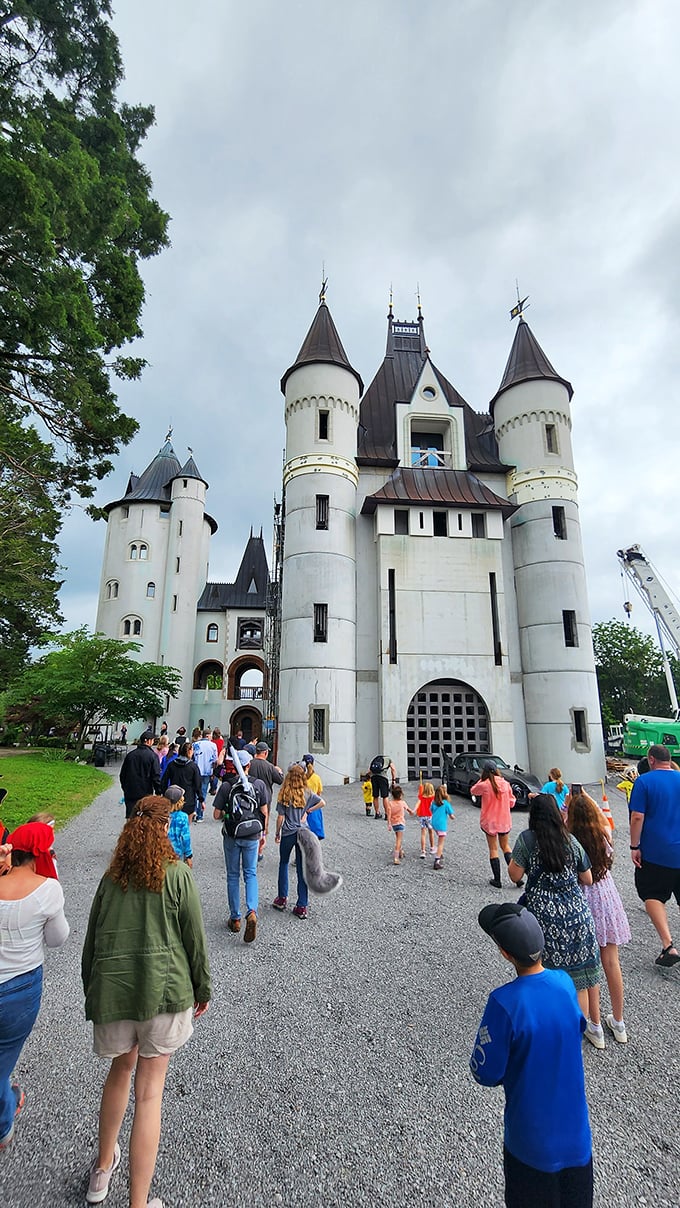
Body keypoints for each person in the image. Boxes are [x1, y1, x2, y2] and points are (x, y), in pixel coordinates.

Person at [82, 795, 211, 1208]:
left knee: (120, 1071)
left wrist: (93, 991)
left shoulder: (111, 878)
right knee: (150, 1093)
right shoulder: (176, 875)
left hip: (116, 993)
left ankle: (102, 1171)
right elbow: (195, 940)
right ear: (165, 827)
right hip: (165, 992)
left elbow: (91, 943)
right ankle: (139, 1202)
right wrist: (202, 988)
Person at [470, 903, 593, 1208]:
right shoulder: (565, 983)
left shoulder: (504, 1002)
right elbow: (578, 1025)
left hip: (530, 1141)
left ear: (505, 953)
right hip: (577, 1136)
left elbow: (486, 1072)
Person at [507, 795, 602, 1042]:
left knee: (542, 976)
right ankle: (575, 1035)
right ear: (557, 814)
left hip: (544, 920)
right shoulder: (570, 841)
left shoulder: (527, 840)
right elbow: (588, 878)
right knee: (579, 980)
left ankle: (545, 1031)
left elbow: (514, 875)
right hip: (578, 917)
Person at [0, 824, 69, 1148]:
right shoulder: (48, 890)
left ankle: (7, 1094)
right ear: (41, 854)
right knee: (4, 1055)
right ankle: (3, 1123)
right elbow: (57, 939)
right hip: (20, 987)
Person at [567, 792, 631, 1044]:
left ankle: (595, 1025)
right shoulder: (603, 833)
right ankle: (618, 1021)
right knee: (611, 961)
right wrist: (586, 797)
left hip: (584, 897)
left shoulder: (571, 840)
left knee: (589, 964)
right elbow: (600, 815)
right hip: (606, 896)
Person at [628, 743, 680, 966]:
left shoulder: (644, 781)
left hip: (657, 851)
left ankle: (668, 945)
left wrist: (634, 846)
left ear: (651, 760)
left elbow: (637, 817)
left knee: (653, 894)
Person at [213, 751, 268, 942]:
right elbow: (264, 811)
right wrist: (263, 835)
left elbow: (216, 814)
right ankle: (251, 911)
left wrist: (229, 814)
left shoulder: (227, 785)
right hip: (253, 834)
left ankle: (235, 918)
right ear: (248, 765)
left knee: (233, 875)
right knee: (251, 873)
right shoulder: (258, 785)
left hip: (232, 835)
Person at [273, 763, 324, 919]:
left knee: (283, 863)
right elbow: (322, 802)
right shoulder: (307, 793)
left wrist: (277, 832)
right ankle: (302, 905)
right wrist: (308, 811)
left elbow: (281, 817)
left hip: (288, 832)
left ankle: (282, 898)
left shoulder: (285, 793)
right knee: (302, 869)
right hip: (303, 833)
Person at [470, 762, 517, 888]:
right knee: (506, 846)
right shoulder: (505, 784)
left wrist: (481, 779)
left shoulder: (485, 784)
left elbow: (473, 790)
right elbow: (512, 803)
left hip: (490, 821)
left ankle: (497, 880)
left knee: (493, 849)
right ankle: (517, 878)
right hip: (504, 820)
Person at [119, 734, 161, 819]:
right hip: (145, 792)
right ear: (148, 741)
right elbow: (155, 776)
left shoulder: (130, 755)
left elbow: (122, 774)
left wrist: (125, 788)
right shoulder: (152, 756)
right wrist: (158, 791)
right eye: (152, 740)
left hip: (130, 791)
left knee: (130, 815)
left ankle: (130, 831)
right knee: (144, 817)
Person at [161, 741, 202, 823]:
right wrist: (201, 798)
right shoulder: (193, 766)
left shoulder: (172, 764)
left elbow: (164, 780)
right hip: (188, 798)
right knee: (186, 825)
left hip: (173, 796)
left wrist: (163, 793)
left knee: (172, 823)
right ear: (189, 751)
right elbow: (198, 784)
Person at [191, 729, 217, 821]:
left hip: (196, 770)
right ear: (208, 736)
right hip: (207, 771)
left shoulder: (195, 744)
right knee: (203, 792)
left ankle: (193, 811)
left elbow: (192, 757)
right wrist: (213, 772)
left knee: (194, 791)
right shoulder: (213, 745)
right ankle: (200, 815)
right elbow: (215, 760)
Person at [164, 786, 193, 867]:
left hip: (162, 851)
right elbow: (185, 838)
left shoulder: (161, 815)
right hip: (177, 852)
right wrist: (188, 855)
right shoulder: (183, 817)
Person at [386, 784, 414, 864]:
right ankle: (396, 857)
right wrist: (412, 812)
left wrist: (389, 823)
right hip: (400, 822)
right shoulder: (402, 803)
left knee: (398, 837)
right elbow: (409, 810)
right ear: (401, 794)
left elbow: (389, 814)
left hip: (394, 823)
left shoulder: (390, 803)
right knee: (399, 839)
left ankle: (401, 851)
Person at [429, 785, 454, 870]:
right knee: (441, 843)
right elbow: (451, 815)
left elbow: (431, 810)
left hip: (434, 824)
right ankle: (437, 861)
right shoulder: (446, 804)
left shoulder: (433, 802)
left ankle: (440, 853)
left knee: (439, 838)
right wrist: (453, 817)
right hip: (441, 825)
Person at [302, 755, 325, 839]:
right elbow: (319, 793)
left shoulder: (301, 777)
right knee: (315, 832)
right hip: (314, 806)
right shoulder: (317, 778)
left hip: (303, 805)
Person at [370, 755, 396, 820]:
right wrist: (393, 780)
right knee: (385, 796)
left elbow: (370, 770)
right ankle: (387, 814)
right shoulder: (389, 759)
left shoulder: (376, 759)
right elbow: (393, 769)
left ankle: (377, 813)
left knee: (375, 796)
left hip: (374, 777)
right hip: (383, 778)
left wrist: (366, 776)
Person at [415, 781, 436, 859]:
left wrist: (413, 810)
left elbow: (418, 804)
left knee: (423, 833)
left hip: (422, 816)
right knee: (431, 832)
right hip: (430, 816)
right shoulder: (432, 798)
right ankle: (432, 848)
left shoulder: (421, 797)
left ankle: (423, 851)